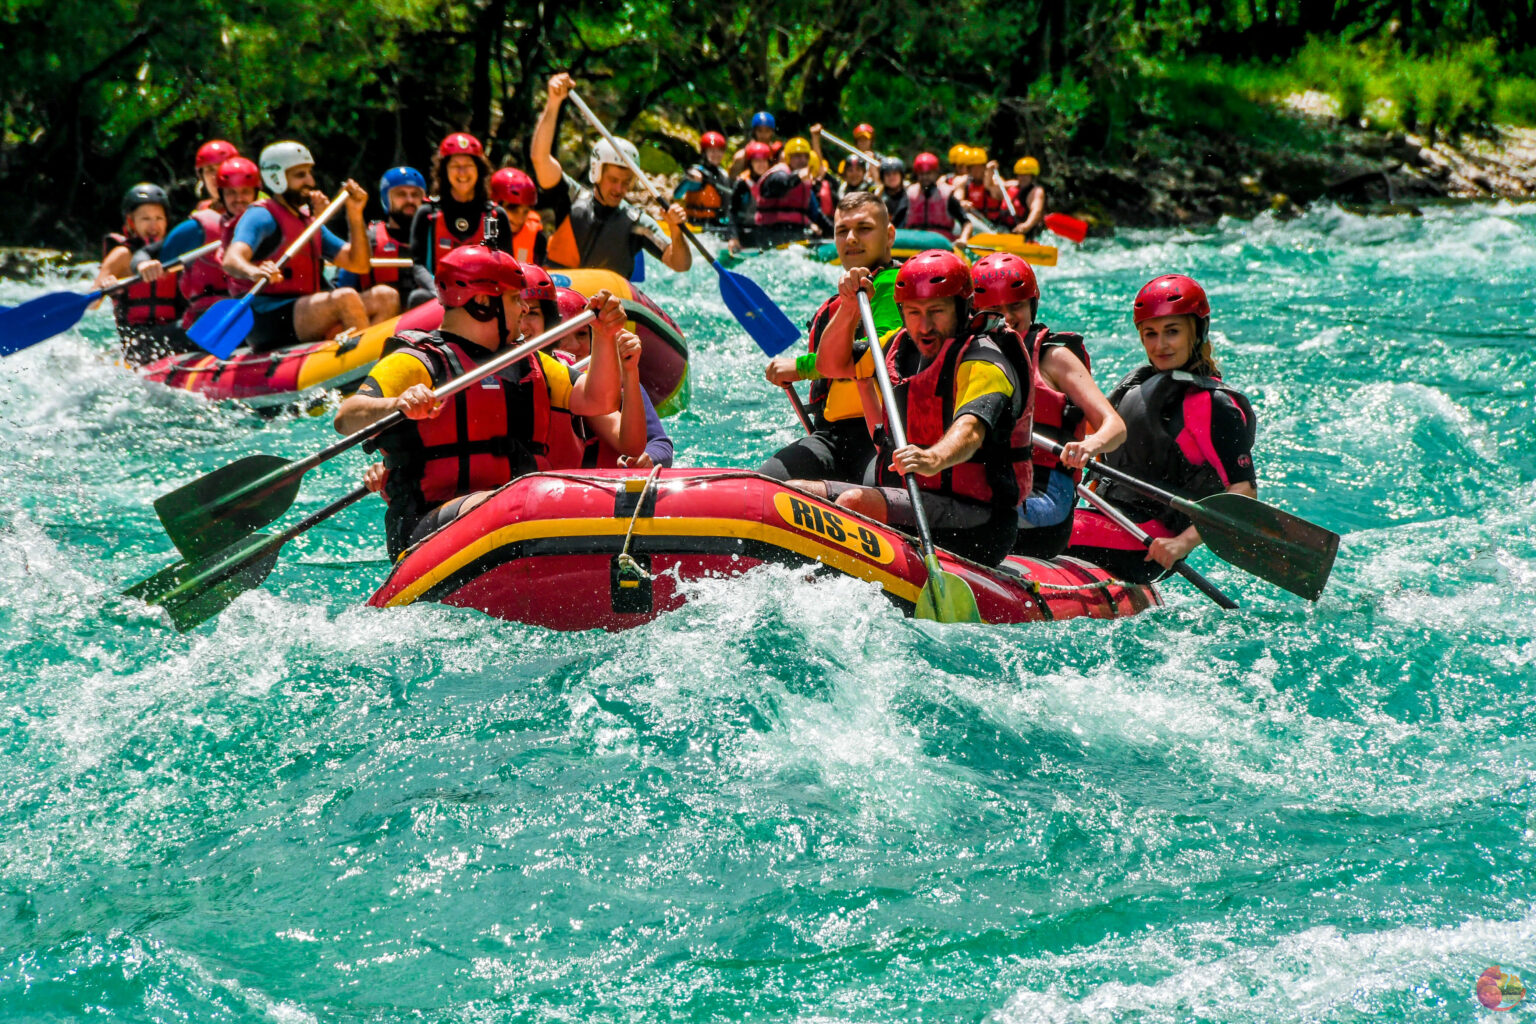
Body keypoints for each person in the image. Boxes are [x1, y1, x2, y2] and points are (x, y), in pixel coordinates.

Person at [337, 245, 630, 557]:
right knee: (508, 505)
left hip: (515, 518)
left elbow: (599, 400)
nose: (524, 310)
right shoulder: (418, 362)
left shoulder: (530, 363)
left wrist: (605, 336)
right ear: (481, 303)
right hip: (425, 528)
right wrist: (398, 405)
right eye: (516, 300)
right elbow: (346, 417)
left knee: (533, 504)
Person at [789, 250, 1034, 566]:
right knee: (794, 495)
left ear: (963, 309)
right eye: (914, 312)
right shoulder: (898, 347)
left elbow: (970, 429)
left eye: (937, 311)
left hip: (980, 521)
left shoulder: (985, 360)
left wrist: (934, 457)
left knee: (854, 502)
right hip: (911, 500)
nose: (925, 325)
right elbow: (830, 365)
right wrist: (849, 306)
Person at [1066, 274, 1258, 583]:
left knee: (1041, 533)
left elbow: (1244, 491)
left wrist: (1182, 544)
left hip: (1149, 540)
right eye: (1151, 334)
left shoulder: (1214, 405)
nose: (1161, 345)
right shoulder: (1137, 385)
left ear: (1197, 332)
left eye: (1172, 332)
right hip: (1105, 514)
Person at [971, 252, 1125, 558]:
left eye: (1015, 306)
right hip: (989, 481)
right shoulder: (968, 354)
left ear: (1032, 303)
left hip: (1044, 494)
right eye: (994, 310)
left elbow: (1115, 426)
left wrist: (1090, 446)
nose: (1007, 318)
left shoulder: (1054, 358)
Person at [759, 191, 902, 484]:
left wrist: (800, 367)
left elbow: (879, 351)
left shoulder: (897, 286)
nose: (851, 238)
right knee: (768, 481)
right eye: (842, 231)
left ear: (889, 235)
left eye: (864, 228)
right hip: (831, 437)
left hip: (885, 435)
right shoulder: (843, 296)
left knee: (873, 490)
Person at [222, 140, 380, 352]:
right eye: (300, 175)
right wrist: (254, 271)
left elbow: (359, 264)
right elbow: (231, 259)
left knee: (385, 296)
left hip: (304, 309)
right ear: (276, 179)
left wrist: (354, 213)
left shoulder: (307, 222)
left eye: (308, 173)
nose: (311, 181)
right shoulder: (261, 215)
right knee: (345, 297)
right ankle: (369, 364)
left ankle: (360, 353)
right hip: (266, 315)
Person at [531, 73, 690, 278]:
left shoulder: (638, 223)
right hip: (564, 294)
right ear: (597, 172)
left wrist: (676, 231)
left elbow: (680, 264)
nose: (619, 189)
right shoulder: (570, 197)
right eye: (613, 180)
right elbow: (540, 158)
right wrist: (553, 103)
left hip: (608, 305)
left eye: (626, 182)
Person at [540, 279, 675, 469]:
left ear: (594, 336)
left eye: (581, 335)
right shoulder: (544, 375)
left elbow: (660, 443)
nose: (573, 346)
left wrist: (648, 458)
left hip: (607, 485)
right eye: (562, 338)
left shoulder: (620, 380)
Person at [154, 156, 260, 332]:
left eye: (245, 192)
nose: (239, 199)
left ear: (256, 193)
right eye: (231, 193)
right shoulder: (199, 228)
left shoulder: (269, 222)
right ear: (222, 195)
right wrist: (145, 264)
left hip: (253, 311)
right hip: (207, 315)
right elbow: (154, 253)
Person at [95, 183, 184, 363]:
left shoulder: (177, 252)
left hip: (173, 333)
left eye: (159, 218)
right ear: (131, 222)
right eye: (145, 219)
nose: (153, 225)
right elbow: (91, 302)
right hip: (139, 343)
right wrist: (105, 287)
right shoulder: (123, 255)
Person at [410, 133, 513, 281]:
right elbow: (418, 265)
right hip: (436, 296)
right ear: (445, 171)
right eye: (455, 166)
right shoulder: (427, 214)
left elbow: (505, 266)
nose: (462, 172)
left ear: (479, 170)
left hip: (483, 297)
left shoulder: (494, 215)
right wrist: (439, 293)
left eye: (468, 165)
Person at [334, 165, 427, 319]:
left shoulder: (433, 238)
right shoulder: (368, 240)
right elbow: (342, 287)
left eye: (415, 194)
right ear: (386, 199)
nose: (409, 200)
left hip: (427, 321)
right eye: (401, 194)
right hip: (382, 325)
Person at [749, 137, 834, 248]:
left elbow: (816, 214)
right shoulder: (778, 174)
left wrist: (835, 234)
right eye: (797, 156)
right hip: (771, 233)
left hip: (796, 234)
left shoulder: (805, 183)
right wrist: (797, 177)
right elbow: (782, 184)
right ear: (788, 158)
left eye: (806, 156)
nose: (803, 160)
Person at [489, 167, 547, 266]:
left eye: (525, 212)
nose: (520, 219)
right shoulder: (478, 228)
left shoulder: (538, 238)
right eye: (513, 209)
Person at [905, 153, 970, 241]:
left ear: (936, 173)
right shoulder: (909, 194)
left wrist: (963, 238)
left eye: (928, 173)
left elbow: (966, 223)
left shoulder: (947, 195)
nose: (924, 177)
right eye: (921, 174)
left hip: (941, 244)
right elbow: (896, 222)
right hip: (914, 243)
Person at [675, 131, 732, 228]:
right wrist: (688, 180)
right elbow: (677, 195)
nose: (716, 154)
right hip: (697, 226)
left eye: (719, 150)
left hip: (719, 226)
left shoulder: (723, 174)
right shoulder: (696, 173)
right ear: (704, 152)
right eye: (712, 150)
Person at [726, 141, 773, 253]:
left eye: (763, 160)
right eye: (757, 161)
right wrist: (733, 237)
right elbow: (732, 212)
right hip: (745, 232)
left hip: (767, 234)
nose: (761, 164)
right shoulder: (742, 184)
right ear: (750, 163)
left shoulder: (774, 181)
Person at [729, 111, 780, 176]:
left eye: (767, 131)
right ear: (754, 132)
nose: (763, 135)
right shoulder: (743, 156)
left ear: (772, 132)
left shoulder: (777, 153)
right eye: (760, 131)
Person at [193, 140, 239, 212]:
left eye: (222, 168)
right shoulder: (202, 211)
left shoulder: (256, 206)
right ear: (202, 177)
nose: (216, 176)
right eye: (210, 170)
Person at [1010, 157, 1047, 239]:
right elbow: (993, 185)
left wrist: (1026, 225)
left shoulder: (1037, 191)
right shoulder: (1014, 185)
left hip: (1030, 235)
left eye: (1025, 175)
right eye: (1020, 175)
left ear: (1032, 176)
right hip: (1011, 232)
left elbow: (1036, 210)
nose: (1022, 178)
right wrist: (990, 171)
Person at [877, 157, 908, 228]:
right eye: (888, 174)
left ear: (901, 175)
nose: (891, 177)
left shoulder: (910, 196)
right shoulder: (877, 196)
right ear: (882, 177)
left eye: (895, 173)